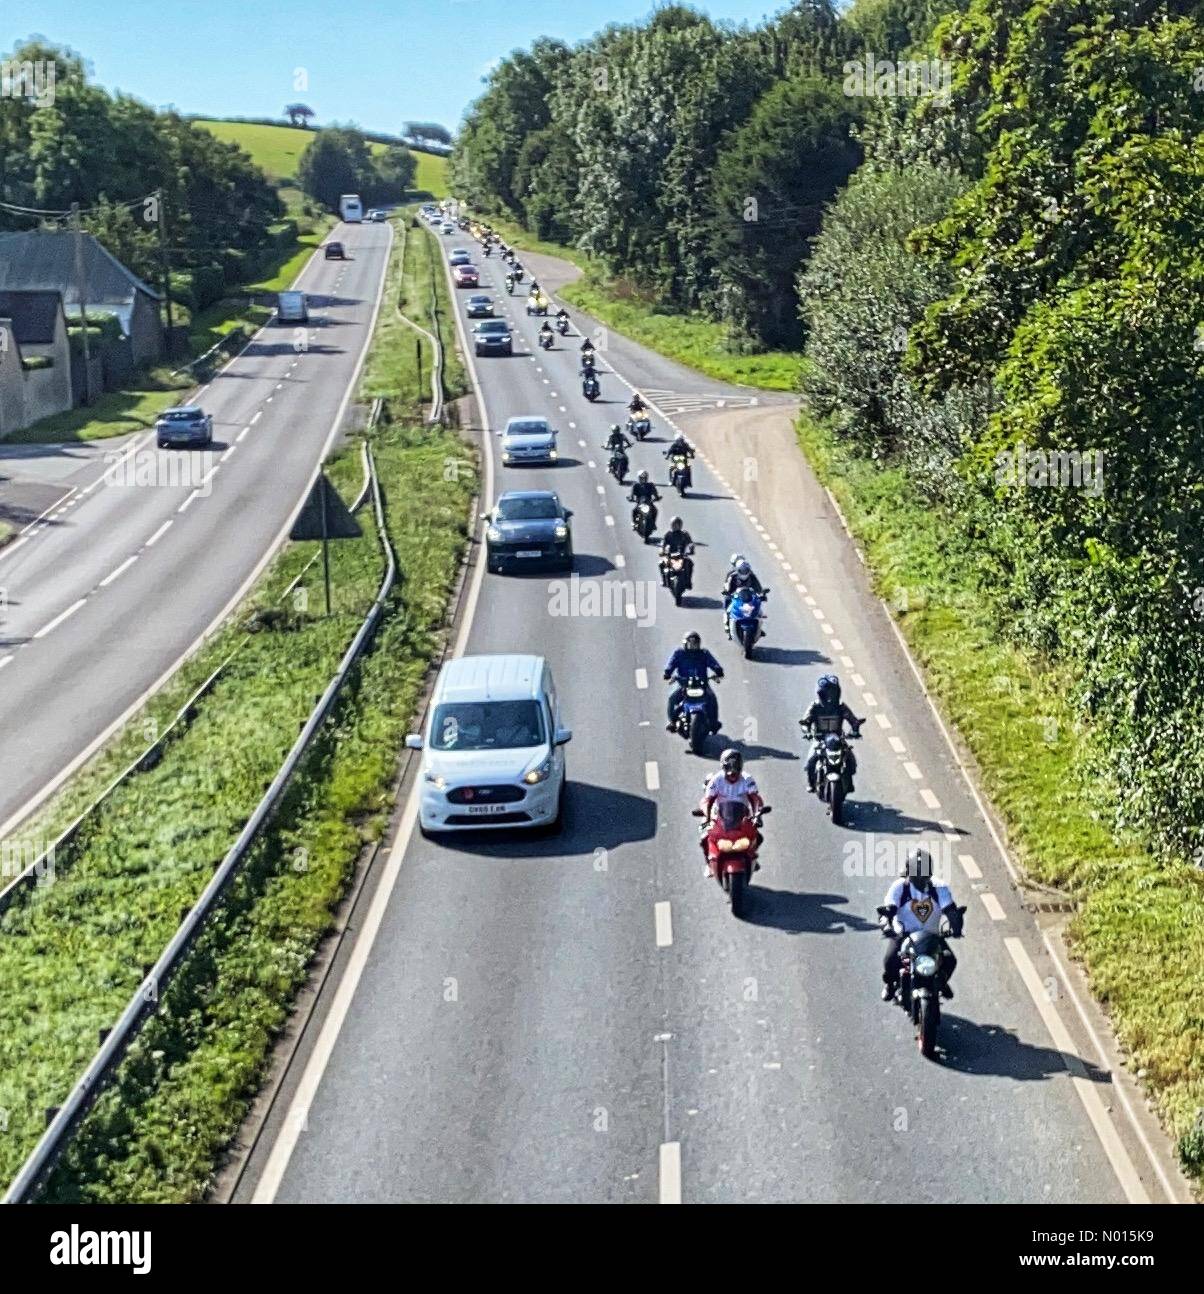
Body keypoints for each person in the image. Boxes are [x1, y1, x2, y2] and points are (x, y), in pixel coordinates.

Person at [879, 848, 963, 1000]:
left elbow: (950, 909)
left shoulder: (939, 887)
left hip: (932, 937)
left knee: (949, 960)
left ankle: (941, 982)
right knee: (890, 960)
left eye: (923, 877)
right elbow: (889, 909)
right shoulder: (900, 887)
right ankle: (890, 984)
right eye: (916, 876)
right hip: (904, 936)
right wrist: (886, 924)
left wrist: (956, 925)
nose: (919, 880)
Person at [699, 748, 764, 871]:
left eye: (736, 772)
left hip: (742, 816)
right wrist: (706, 818)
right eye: (730, 773)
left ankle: (751, 857)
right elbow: (707, 800)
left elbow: (755, 799)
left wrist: (757, 814)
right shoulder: (716, 780)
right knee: (704, 838)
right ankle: (709, 863)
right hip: (718, 815)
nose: (733, 776)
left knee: (758, 837)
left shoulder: (747, 779)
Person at [801, 674, 863, 792]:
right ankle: (811, 783)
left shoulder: (841, 707)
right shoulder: (814, 707)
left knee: (850, 759)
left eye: (832, 693)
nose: (829, 697)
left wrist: (855, 730)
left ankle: (849, 782)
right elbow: (805, 722)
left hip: (838, 739)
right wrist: (807, 731)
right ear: (820, 694)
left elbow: (853, 720)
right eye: (826, 694)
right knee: (810, 761)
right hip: (820, 740)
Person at [663, 631, 723, 733]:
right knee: (672, 698)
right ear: (685, 644)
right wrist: (667, 672)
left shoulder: (704, 653)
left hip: (702, 684)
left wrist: (718, 670)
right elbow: (671, 663)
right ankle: (673, 722)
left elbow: (713, 662)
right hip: (683, 684)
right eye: (691, 643)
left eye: (696, 644)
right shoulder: (679, 653)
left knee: (712, 698)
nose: (694, 646)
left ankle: (714, 723)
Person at [721, 558, 766, 639]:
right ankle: (727, 625)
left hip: (749, 599)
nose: (744, 572)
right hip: (736, 599)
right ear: (737, 570)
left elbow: (758, 588)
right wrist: (727, 593)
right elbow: (727, 588)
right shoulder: (732, 577)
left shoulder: (752, 576)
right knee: (728, 610)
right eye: (742, 570)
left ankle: (759, 628)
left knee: (760, 612)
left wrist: (762, 594)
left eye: (746, 570)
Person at [659, 516, 695, 589]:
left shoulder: (684, 534)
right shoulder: (668, 534)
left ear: (680, 525)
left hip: (682, 556)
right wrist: (662, 550)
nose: (675, 526)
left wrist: (691, 548)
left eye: (677, 524)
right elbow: (663, 543)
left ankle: (688, 582)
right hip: (670, 555)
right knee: (661, 563)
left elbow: (690, 543)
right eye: (673, 524)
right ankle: (664, 581)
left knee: (690, 564)